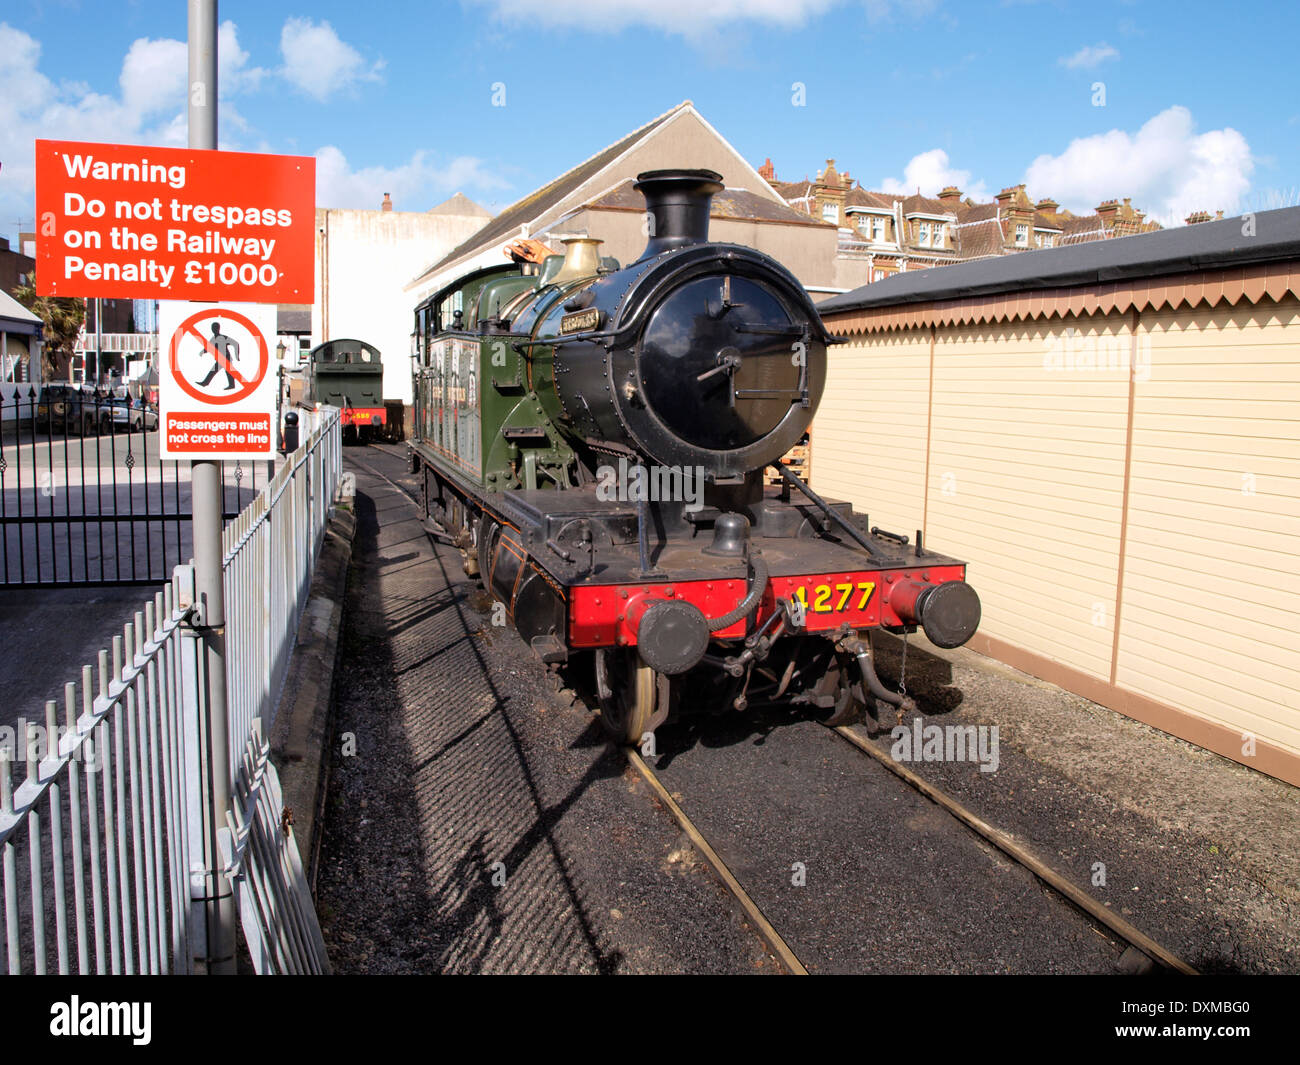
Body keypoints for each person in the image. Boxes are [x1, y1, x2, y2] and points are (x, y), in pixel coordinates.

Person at [198, 321, 240, 390]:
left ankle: (205, 383)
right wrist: (203, 352)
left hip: (226, 358)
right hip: (220, 359)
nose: (213, 329)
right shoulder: (213, 338)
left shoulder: (223, 337)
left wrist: (237, 356)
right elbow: (208, 347)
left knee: (225, 372)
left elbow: (236, 344)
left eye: (215, 328)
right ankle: (206, 383)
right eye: (212, 328)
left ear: (218, 328)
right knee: (226, 372)